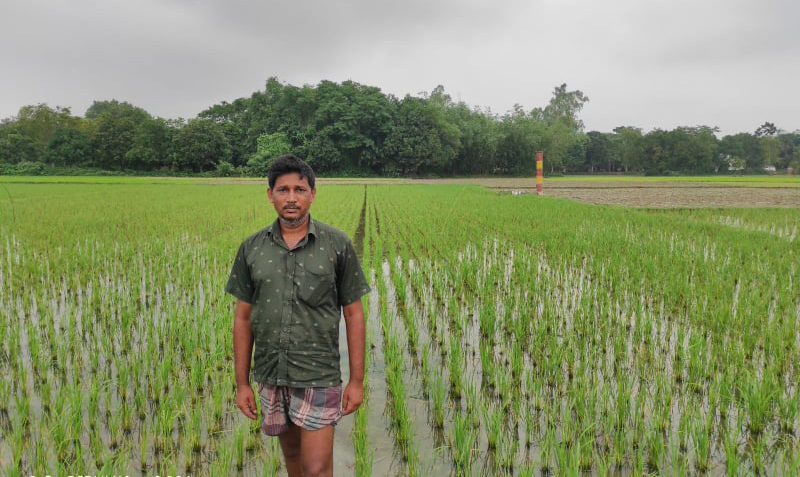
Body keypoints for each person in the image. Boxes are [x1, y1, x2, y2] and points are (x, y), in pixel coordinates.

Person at [226, 154, 370, 476]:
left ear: (312, 194)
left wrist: (357, 381)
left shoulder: (337, 244)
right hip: (271, 373)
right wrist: (241, 383)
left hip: (317, 373)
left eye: (300, 189)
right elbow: (243, 317)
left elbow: (354, 313)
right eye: (283, 189)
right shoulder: (251, 248)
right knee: (292, 457)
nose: (291, 198)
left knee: (317, 468)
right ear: (270, 194)